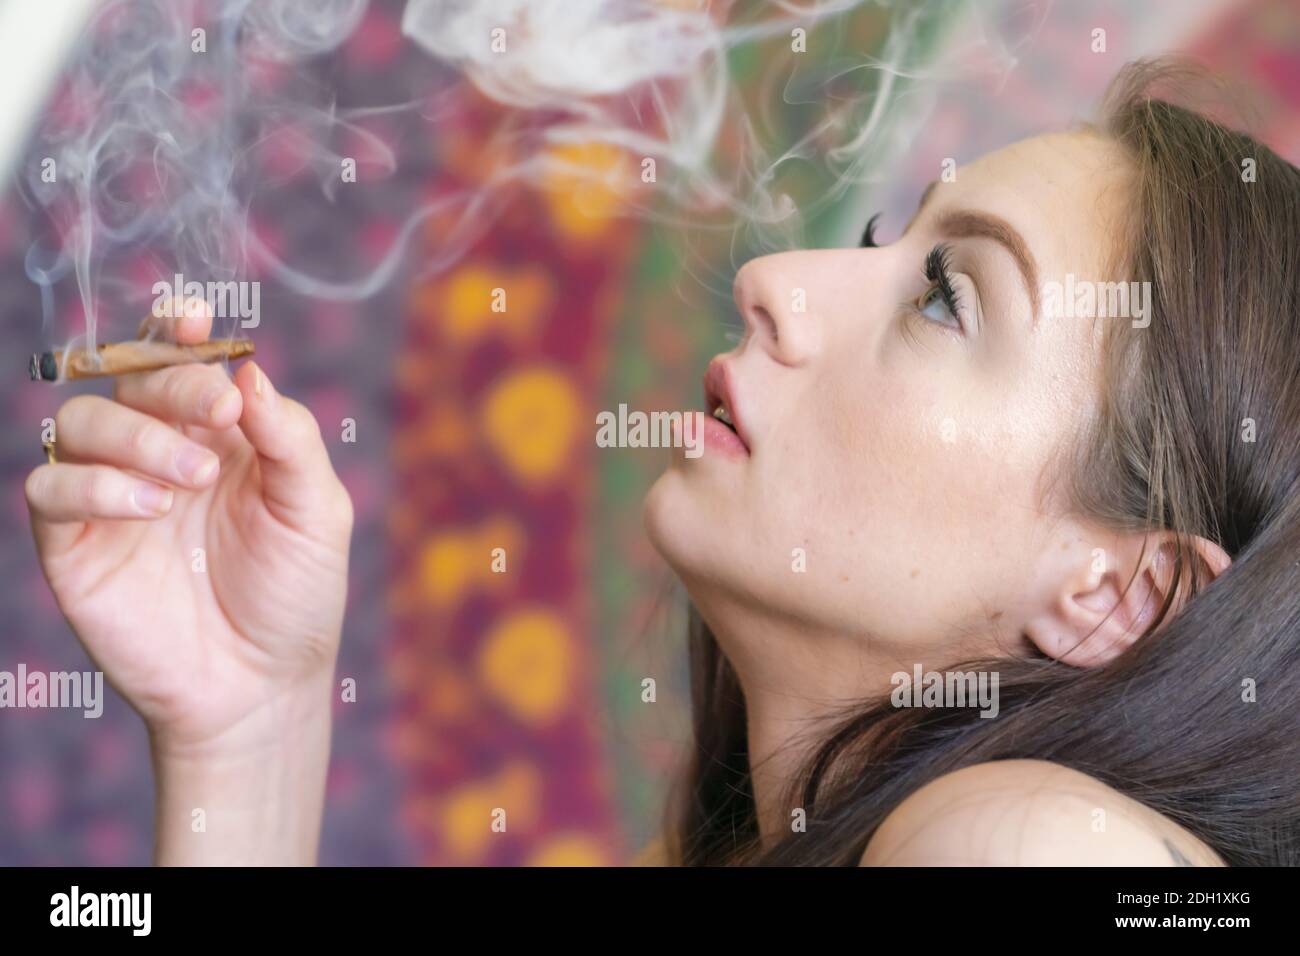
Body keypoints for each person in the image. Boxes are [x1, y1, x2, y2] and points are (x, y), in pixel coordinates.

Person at [25, 58, 1300, 866]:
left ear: (1116, 596)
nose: (774, 281)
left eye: (943, 296)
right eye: (883, 238)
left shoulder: (1029, 840)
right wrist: (248, 731)